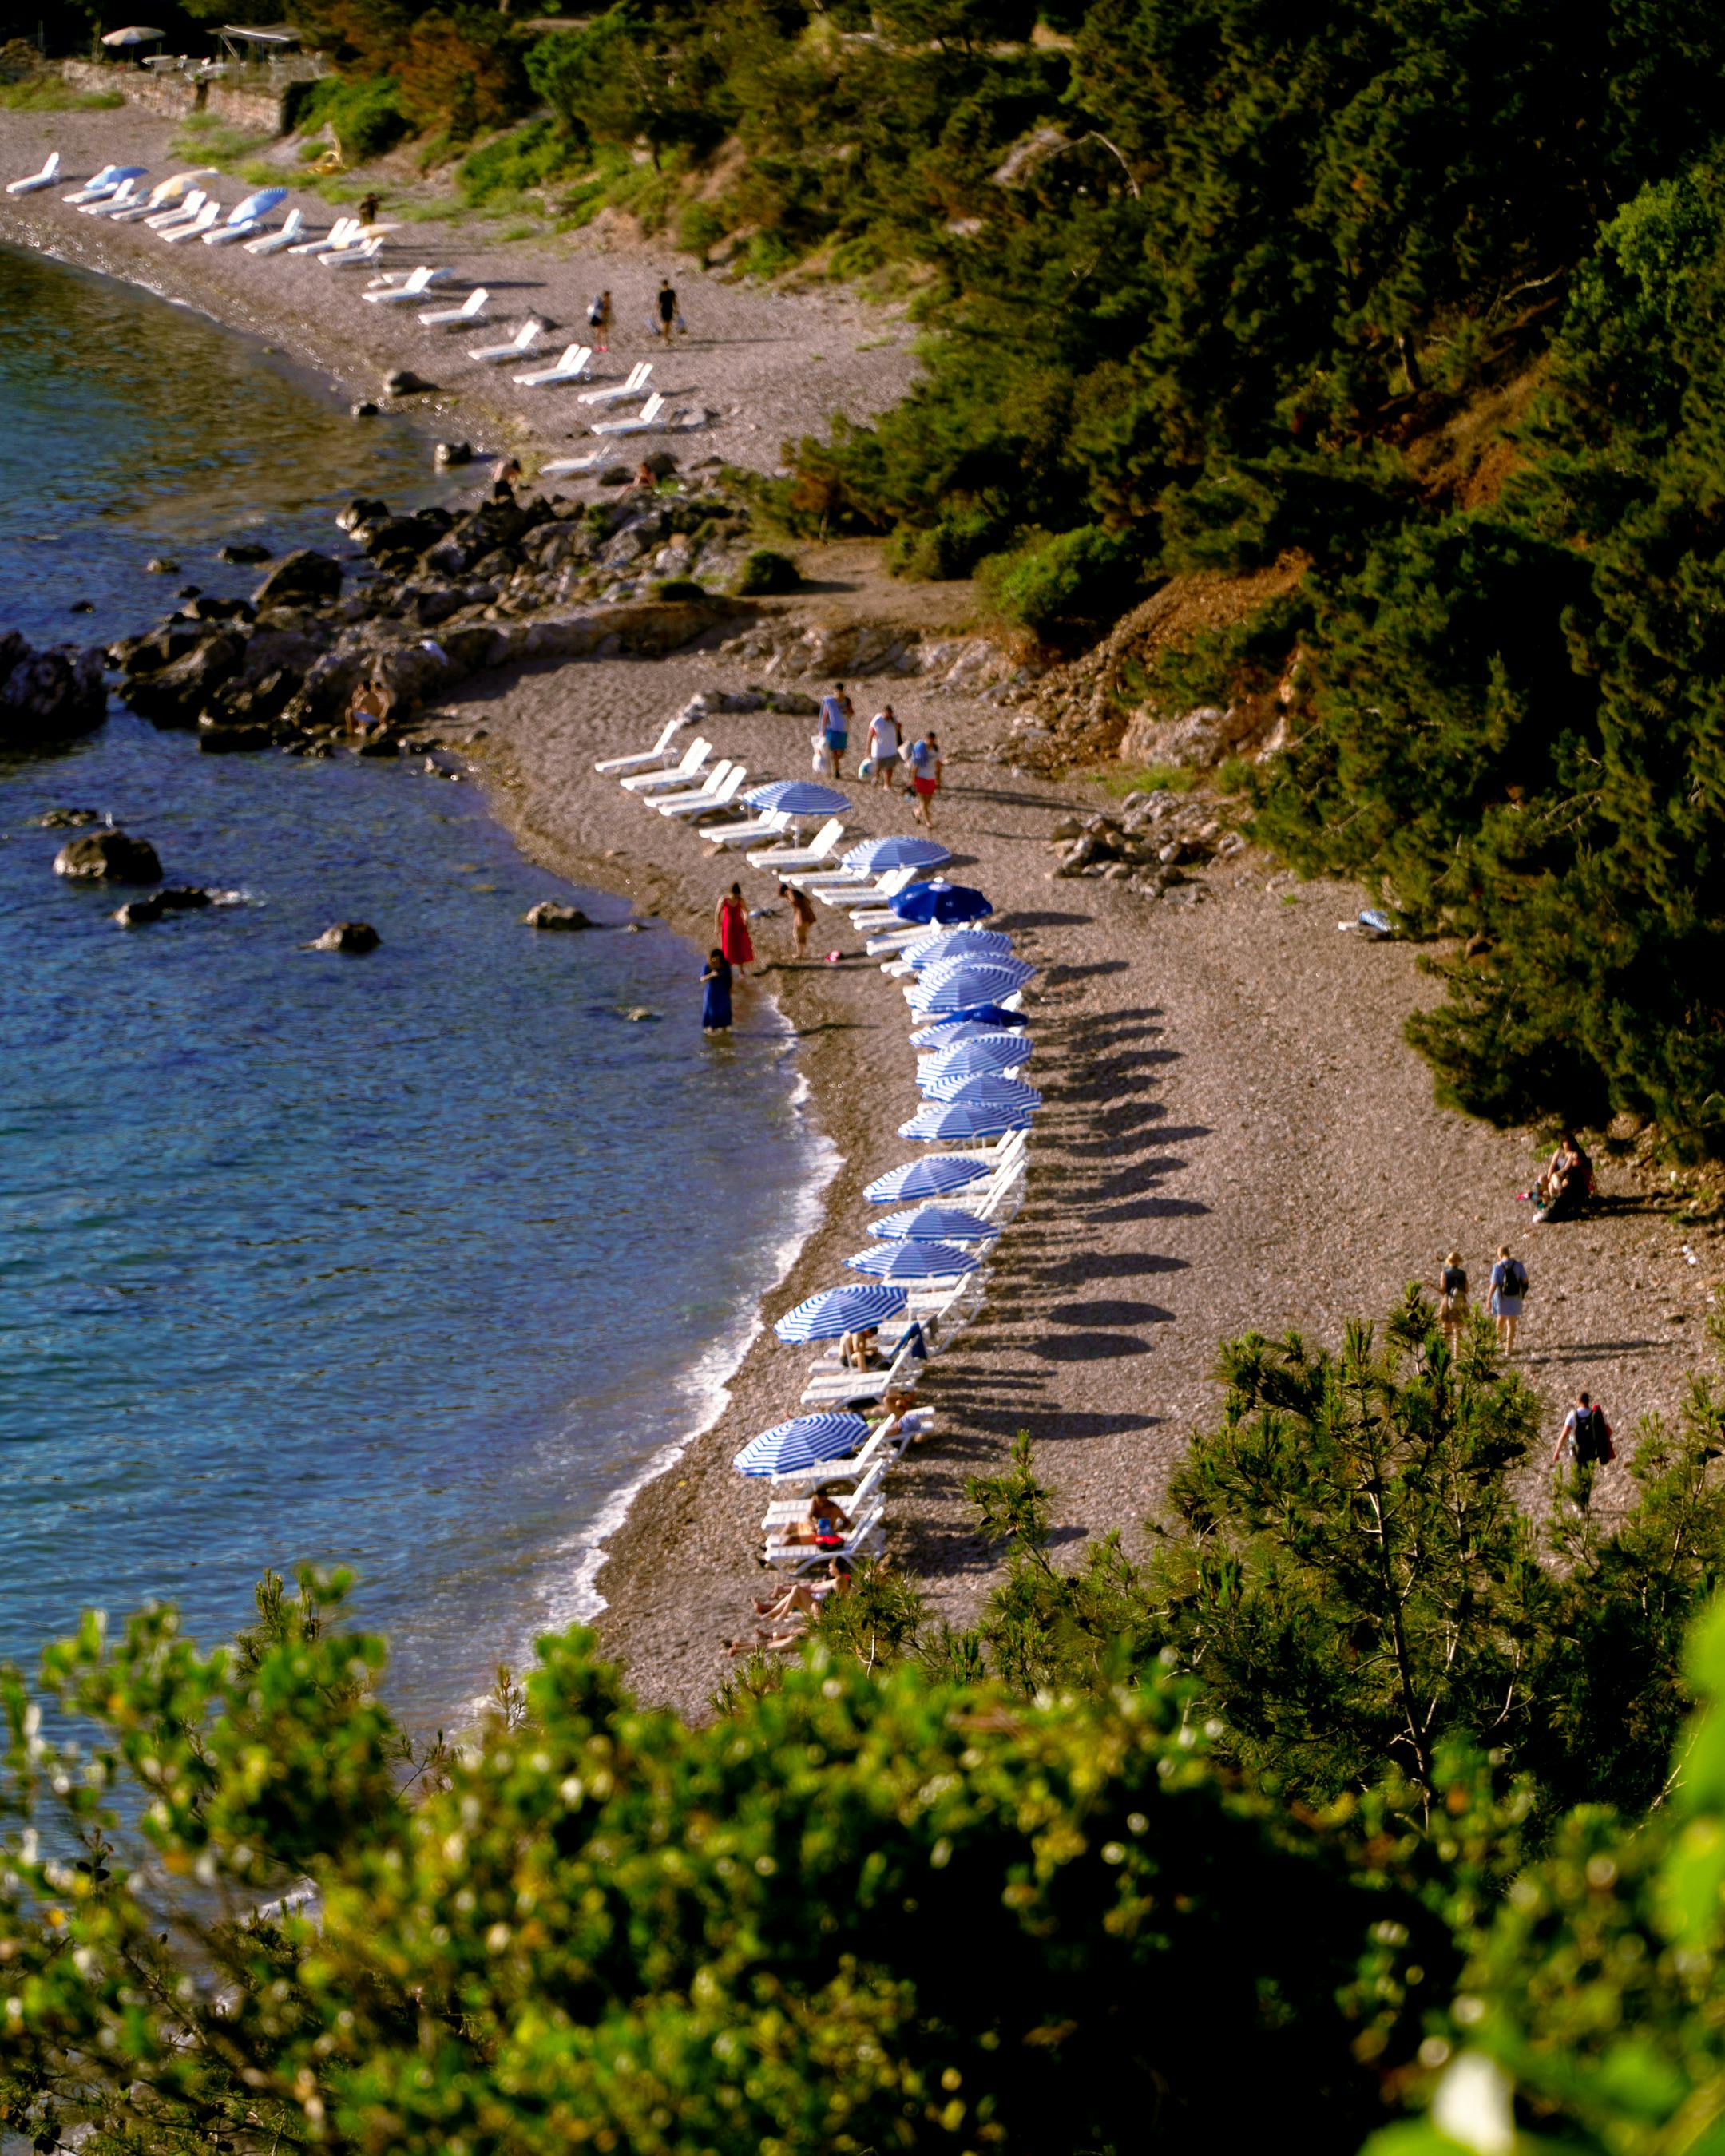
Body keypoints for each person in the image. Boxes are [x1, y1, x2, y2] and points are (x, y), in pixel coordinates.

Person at [1534, 1131, 1594, 1223]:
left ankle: (1554, 1199)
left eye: (1568, 1144)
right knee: (1542, 1178)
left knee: (1554, 1183)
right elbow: (1553, 1164)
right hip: (1556, 1175)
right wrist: (1550, 1174)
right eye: (1565, 1144)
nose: (1566, 1146)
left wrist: (1556, 1174)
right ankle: (1544, 1201)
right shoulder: (1559, 1152)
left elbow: (1566, 1169)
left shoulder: (1573, 1155)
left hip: (1563, 1176)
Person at [1489, 1245, 1528, 1355]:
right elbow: (1525, 1280)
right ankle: (1508, 1349)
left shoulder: (1497, 1267)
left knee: (1500, 1320)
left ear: (1500, 1255)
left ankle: (1498, 1343)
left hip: (1501, 1297)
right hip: (1515, 1297)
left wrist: (1489, 1298)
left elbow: (1494, 1284)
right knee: (1511, 1323)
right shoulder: (1518, 1265)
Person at [716, 882, 754, 975]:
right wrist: (717, 926)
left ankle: (741, 970)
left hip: (738, 926)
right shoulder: (724, 900)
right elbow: (718, 912)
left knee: (739, 947)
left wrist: (746, 920)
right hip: (727, 927)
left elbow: (746, 911)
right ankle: (728, 969)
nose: (735, 896)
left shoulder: (740, 900)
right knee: (727, 947)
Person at [906, 729, 942, 824]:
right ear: (926, 739)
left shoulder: (936, 750)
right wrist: (913, 780)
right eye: (930, 739)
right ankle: (928, 822)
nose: (931, 741)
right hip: (921, 777)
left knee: (928, 801)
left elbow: (938, 765)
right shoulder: (921, 750)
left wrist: (938, 779)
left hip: (931, 777)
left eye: (933, 740)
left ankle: (917, 812)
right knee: (923, 801)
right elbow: (916, 766)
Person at [1436, 1250, 1469, 1350]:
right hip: (1461, 1302)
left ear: (1449, 1261)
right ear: (1458, 1261)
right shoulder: (1463, 1274)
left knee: (1446, 1330)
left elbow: (1443, 1291)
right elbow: (1467, 1290)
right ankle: (1457, 1355)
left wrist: (1433, 1287)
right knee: (1458, 1331)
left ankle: (1445, 1353)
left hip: (1447, 1303)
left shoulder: (1444, 1273)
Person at [819, 680, 851, 779]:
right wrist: (822, 730)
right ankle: (836, 771)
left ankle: (835, 762)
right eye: (837, 691)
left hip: (843, 729)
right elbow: (825, 716)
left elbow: (851, 713)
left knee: (841, 752)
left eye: (840, 691)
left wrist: (847, 711)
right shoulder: (829, 701)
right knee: (834, 751)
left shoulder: (847, 701)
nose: (838, 694)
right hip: (832, 729)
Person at [779, 878, 817, 958]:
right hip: (808, 914)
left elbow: (794, 901)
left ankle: (800, 954)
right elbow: (809, 901)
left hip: (802, 916)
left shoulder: (789, 892)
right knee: (801, 934)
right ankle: (802, 953)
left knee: (797, 934)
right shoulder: (796, 892)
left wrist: (791, 901)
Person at [866, 703, 901, 788]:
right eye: (887, 714)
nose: (889, 716)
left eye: (890, 714)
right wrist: (868, 748)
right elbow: (870, 734)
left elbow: (898, 730)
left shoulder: (893, 721)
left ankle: (887, 784)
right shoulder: (877, 721)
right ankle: (876, 777)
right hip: (879, 749)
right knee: (878, 766)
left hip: (891, 749)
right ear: (884, 712)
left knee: (889, 767)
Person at [700, 946, 732, 1035]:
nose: (716, 960)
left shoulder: (725, 965)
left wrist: (730, 989)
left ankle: (725, 1031)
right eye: (714, 958)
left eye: (718, 958)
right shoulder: (708, 966)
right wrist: (711, 975)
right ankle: (712, 1031)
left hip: (723, 992)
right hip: (712, 993)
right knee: (712, 1011)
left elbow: (730, 978)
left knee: (725, 1009)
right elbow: (702, 979)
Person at [587, 287, 613, 352]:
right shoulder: (605, 303)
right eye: (608, 296)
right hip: (601, 319)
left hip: (599, 318)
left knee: (601, 332)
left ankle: (601, 346)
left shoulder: (602, 302)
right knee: (602, 332)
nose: (609, 298)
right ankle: (603, 346)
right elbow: (605, 311)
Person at [656, 278, 678, 343]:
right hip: (664, 309)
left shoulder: (671, 292)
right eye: (664, 285)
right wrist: (657, 309)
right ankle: (665, 338)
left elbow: (674, 301)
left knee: (669, 324)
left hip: (670, 309)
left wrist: (676, 309)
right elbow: (659, 303)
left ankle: (666, 337)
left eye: (665, 285)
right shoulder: (662, 293)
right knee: (665, 324)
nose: (665, 286)